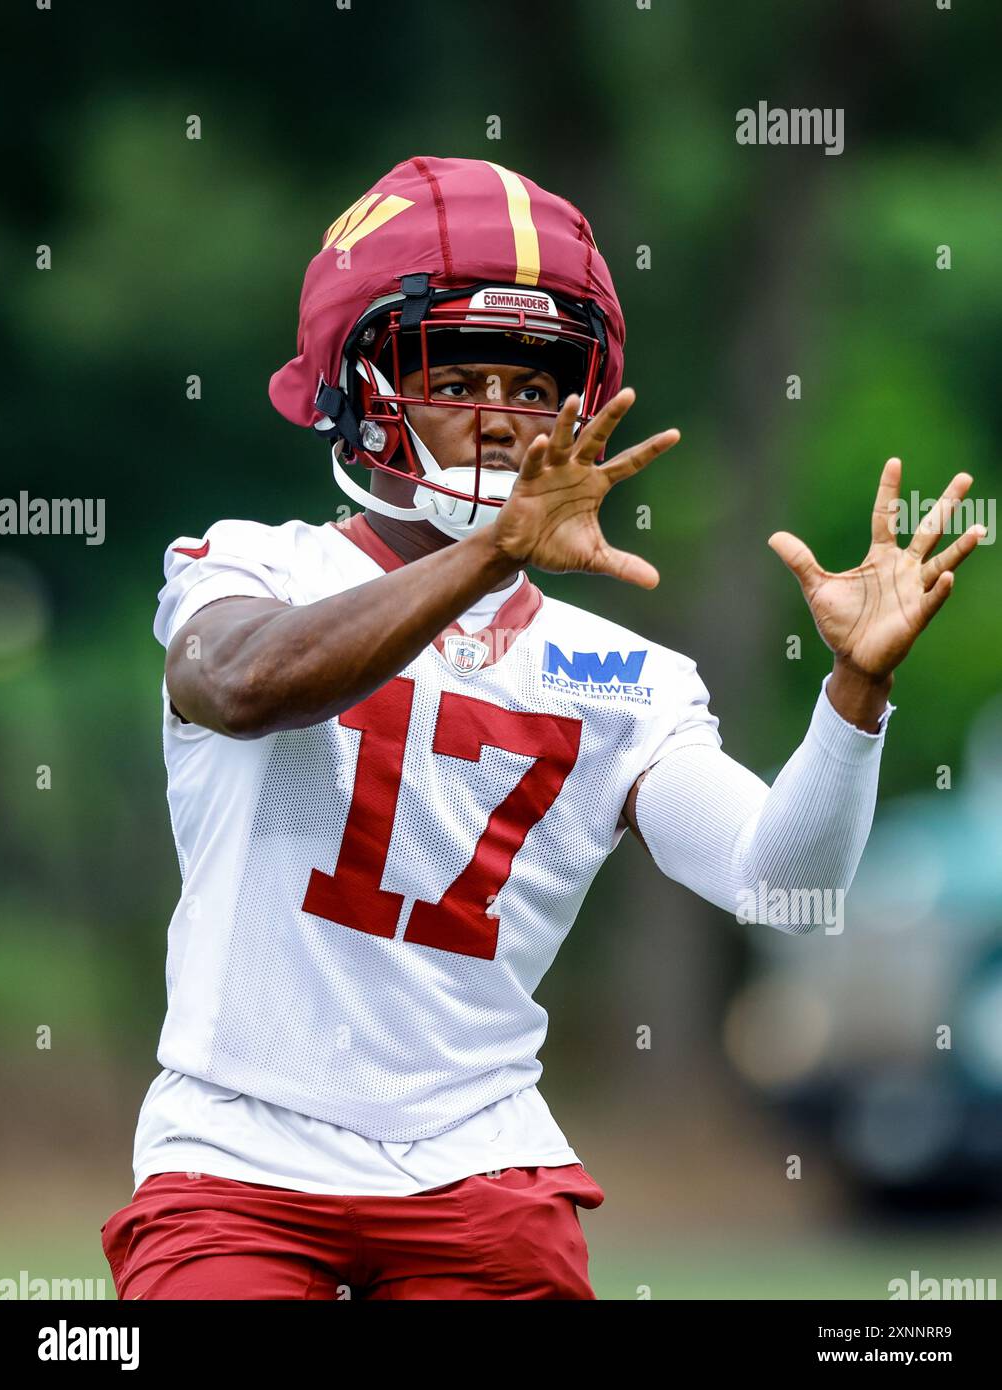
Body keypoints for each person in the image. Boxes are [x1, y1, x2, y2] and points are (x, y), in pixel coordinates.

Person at [100, 156, 984, 1300]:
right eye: (456, 374)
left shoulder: (628, 673)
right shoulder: (256, 562)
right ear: (361, 388)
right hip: (239, 1154)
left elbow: (787, 888)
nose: (501, 417)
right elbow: (246, 685)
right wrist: (490, 558)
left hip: (482, 1163)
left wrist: (855, 696)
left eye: (531, 387)